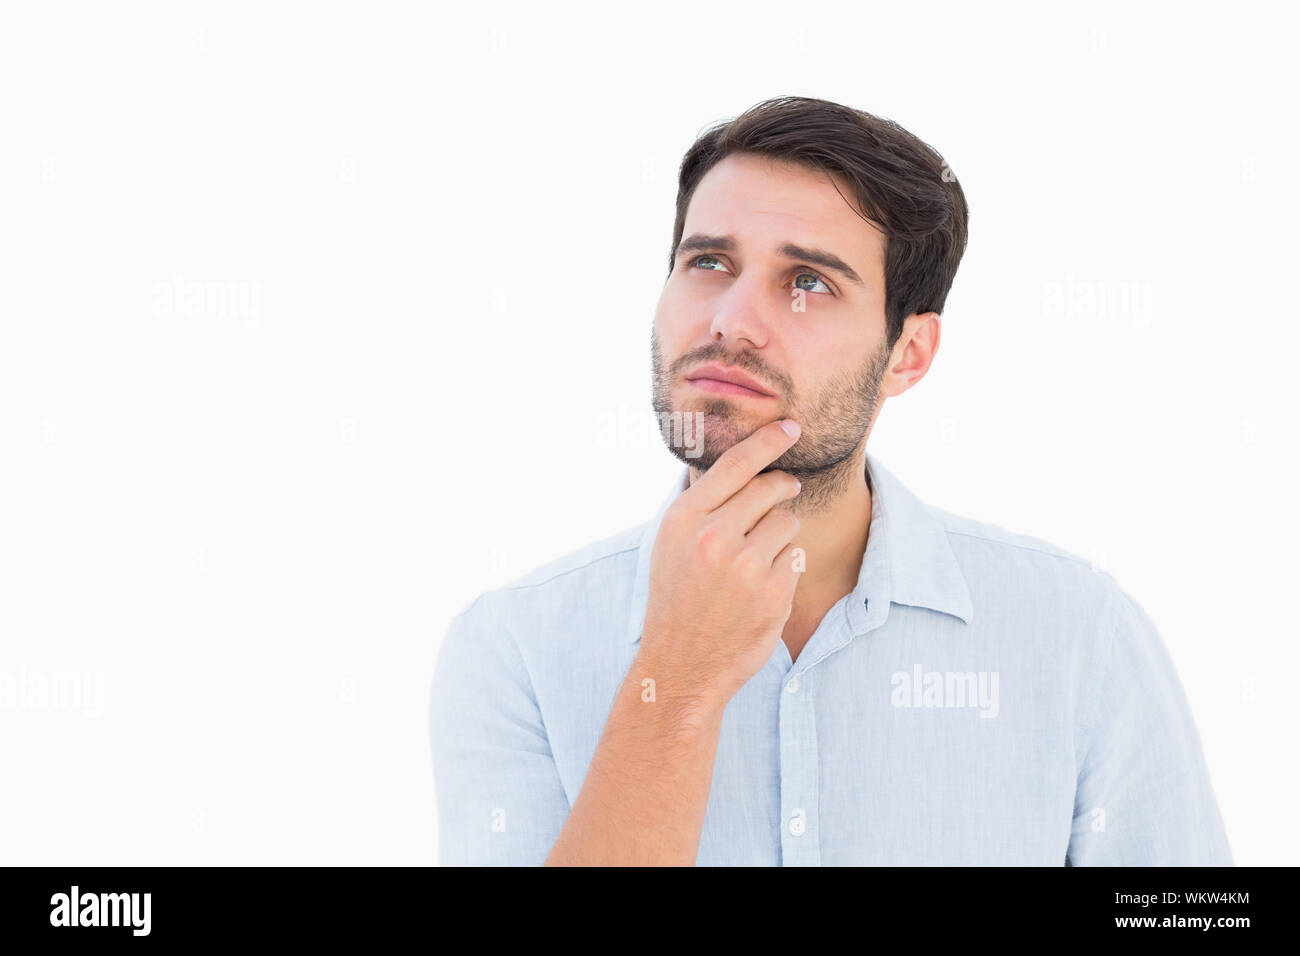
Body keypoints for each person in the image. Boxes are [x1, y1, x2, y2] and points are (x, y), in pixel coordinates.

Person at [430, 95, 1232, 866]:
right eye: (708, 262)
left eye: (808, 281)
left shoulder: (1082, 638)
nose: (730, 321)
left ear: (908, 354)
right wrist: (675, 681)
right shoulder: (516, 650)